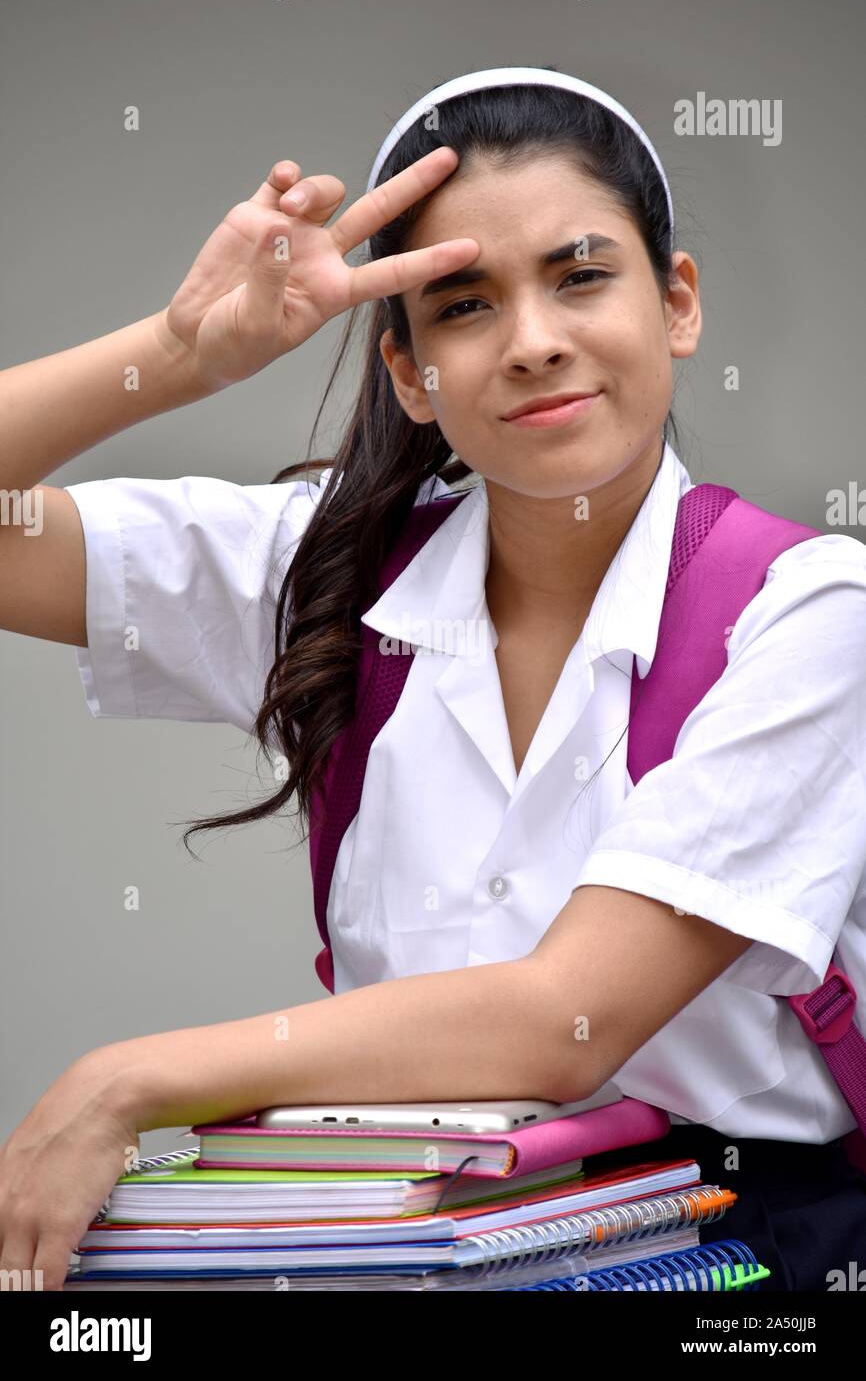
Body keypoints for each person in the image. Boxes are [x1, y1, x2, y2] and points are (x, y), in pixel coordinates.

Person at [1, 63, 865, 1294]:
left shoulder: (807, 609)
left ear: (676, 303)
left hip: (726, 1255)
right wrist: (178, 354)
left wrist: (124, 1081)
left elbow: (566, 1023)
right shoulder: (328, 572)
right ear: (410, 373)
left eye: (580, 276)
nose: (531, 342)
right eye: (462, 307)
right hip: (395, 1245)